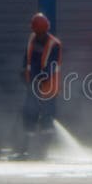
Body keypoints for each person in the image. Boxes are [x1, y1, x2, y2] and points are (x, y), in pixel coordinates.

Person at [22, 12, 62, 144]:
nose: (39, 36)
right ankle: (28, 143)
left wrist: (41, 78)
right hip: (33, 84)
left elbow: (51, 65)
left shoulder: (54, 44)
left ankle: (45, 146)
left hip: (48, 86)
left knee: (46, 117)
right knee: (29, 113)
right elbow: (27, 58)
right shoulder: (32, 39)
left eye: (41, 33)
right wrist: (24, 71)